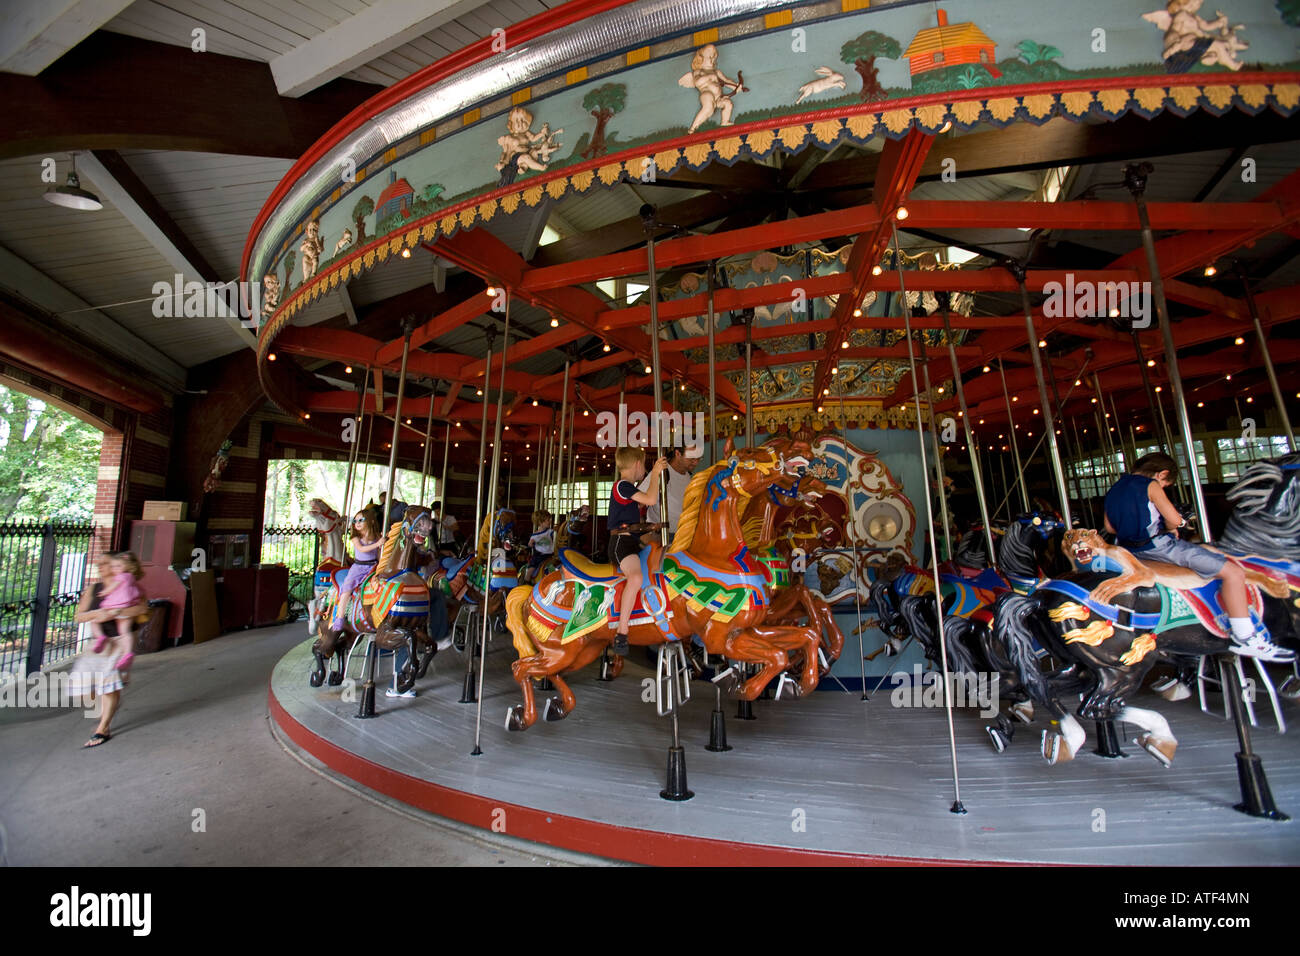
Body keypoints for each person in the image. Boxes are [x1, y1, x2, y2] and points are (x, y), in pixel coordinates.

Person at [1103, 452, 1294, 662]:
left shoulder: (1115, 488)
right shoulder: (1151, 485)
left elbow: (1109, 527)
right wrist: (1176, 526)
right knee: (1233, 572)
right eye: (1167, 483)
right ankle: (1245, 637)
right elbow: (1174, 519)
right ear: (1162, 474)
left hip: (1128, 551)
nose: (1164, 487)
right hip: (1157, 547)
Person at [71, 552, 148, 748]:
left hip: (120, 642)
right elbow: (79, 616)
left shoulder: (131, 585)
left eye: (105, 563)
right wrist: (96, 614)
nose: (100, 566)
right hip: (99, 642)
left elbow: (142, 610)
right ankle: (106, 708)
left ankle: (103, 728)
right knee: (81, 685)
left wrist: (116, 612)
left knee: (109, 684)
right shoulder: (94, 589)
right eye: (100, 563)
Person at [608, 447, 668, 655]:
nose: (643, 468)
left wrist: (651, 528)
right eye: (643, 464)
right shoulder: (622, 486)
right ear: (636, 464)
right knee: (635, 578)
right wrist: (655, 474)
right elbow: (651, 499)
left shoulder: (626, 488)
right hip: (620, 545)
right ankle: (621, 633)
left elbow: (632, 523)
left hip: (631, 542)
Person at [89, 552, 146, 672]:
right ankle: (128, 653)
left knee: (95, 620)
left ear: (127, 566)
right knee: (124, 631)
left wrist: (105, 592)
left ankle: (100, 637)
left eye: (118, 566)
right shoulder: (132, 579)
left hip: (115, 606)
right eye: (113, 566)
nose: (114, 569)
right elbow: (141, 592)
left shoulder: (121, 577)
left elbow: (114, 586)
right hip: (128, 607)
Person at [639, 446, 701, 544]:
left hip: (682, 535)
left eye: (698, 458)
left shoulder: (688, 476)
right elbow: (639, 502)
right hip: (663, 536)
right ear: (677, 454)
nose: (696, 462)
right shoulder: (662, 472)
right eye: (692, 458)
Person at [333, 510, 383, 631]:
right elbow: (361, 549)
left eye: (361, 520)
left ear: (370, 520)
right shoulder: (356, 537)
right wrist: (378, 544)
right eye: (355, 521)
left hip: (373, 566)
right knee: (347, 588)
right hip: (359, 567)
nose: (357, 523)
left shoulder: (377, 536)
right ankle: (339, 617)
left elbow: (378, 553)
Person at [525, 510, 555, 583]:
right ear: (541, 522)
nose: (549, 521)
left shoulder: (550, 531)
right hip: (539, 555)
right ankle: (527, 580)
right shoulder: (535, 535)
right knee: (531, 568)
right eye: (547, 520)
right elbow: (529, 544)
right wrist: (531, 543)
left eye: (549, 519)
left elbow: (556, 534)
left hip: (550, 555)